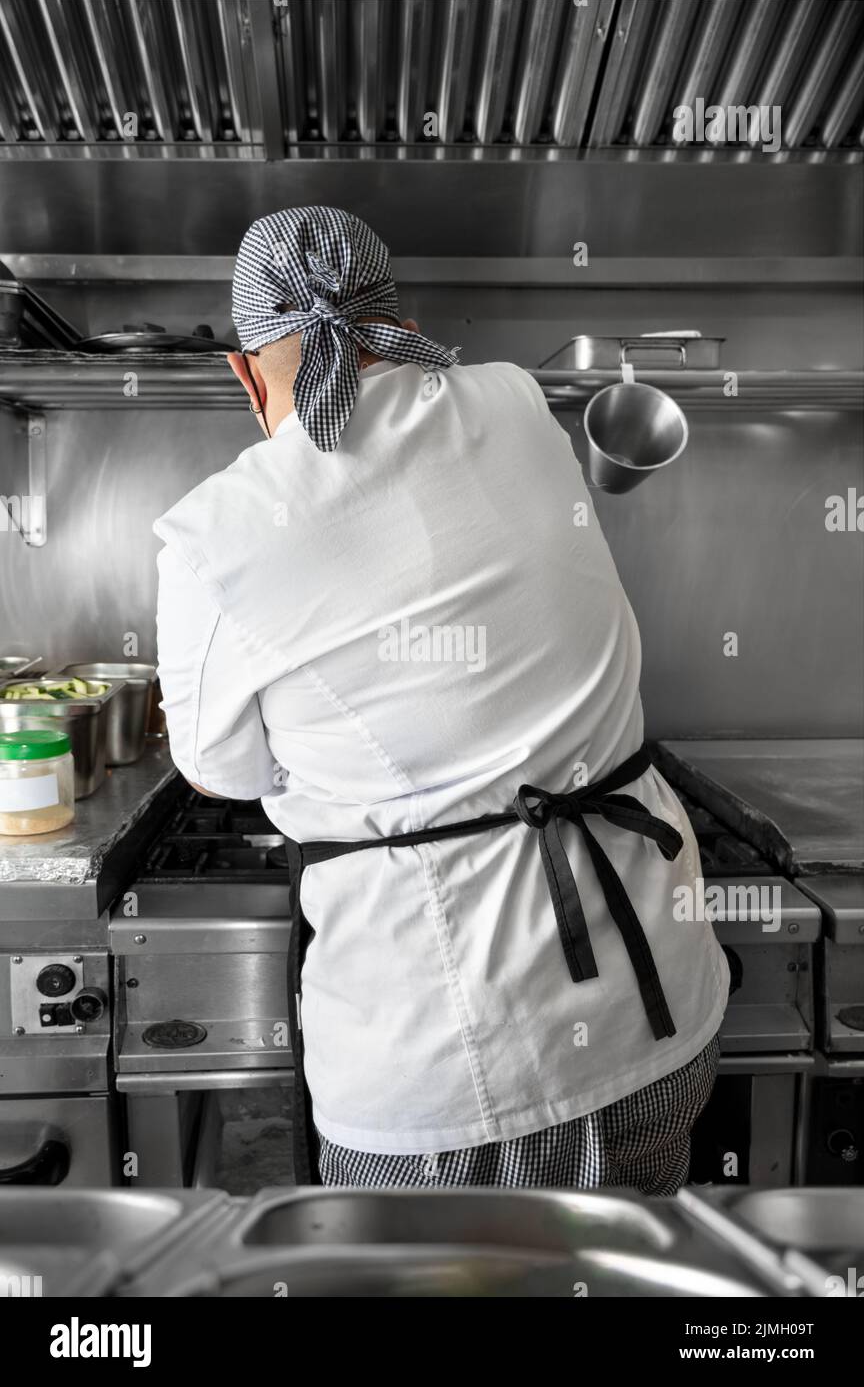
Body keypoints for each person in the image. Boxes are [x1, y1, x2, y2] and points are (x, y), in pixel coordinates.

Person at [153, 205, 729, 1192]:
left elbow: (221, 768)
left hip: (438, 1073)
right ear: (397, 318)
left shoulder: (215, 535)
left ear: (245, 375)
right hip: (649, 1016)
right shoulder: (517, 403)